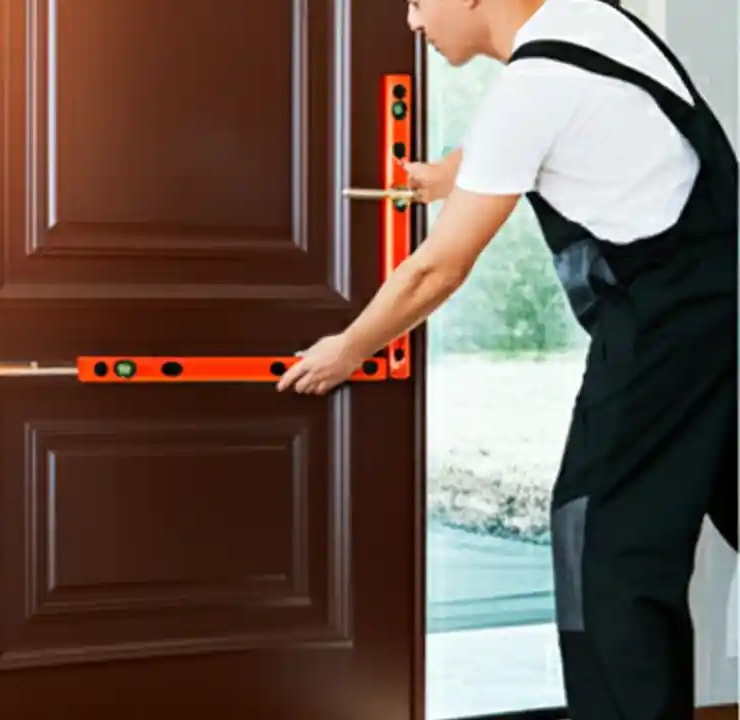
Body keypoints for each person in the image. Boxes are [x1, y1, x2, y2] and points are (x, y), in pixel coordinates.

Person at [277, 0, 738, 716]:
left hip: (663, 339)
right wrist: (452, 176)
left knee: (605, 550)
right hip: (722, 316)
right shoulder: (591, 23)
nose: (411, 20)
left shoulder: (534, 85)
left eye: (420, 1)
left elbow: (439, 269)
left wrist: (350, 346)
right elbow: (552, 125)